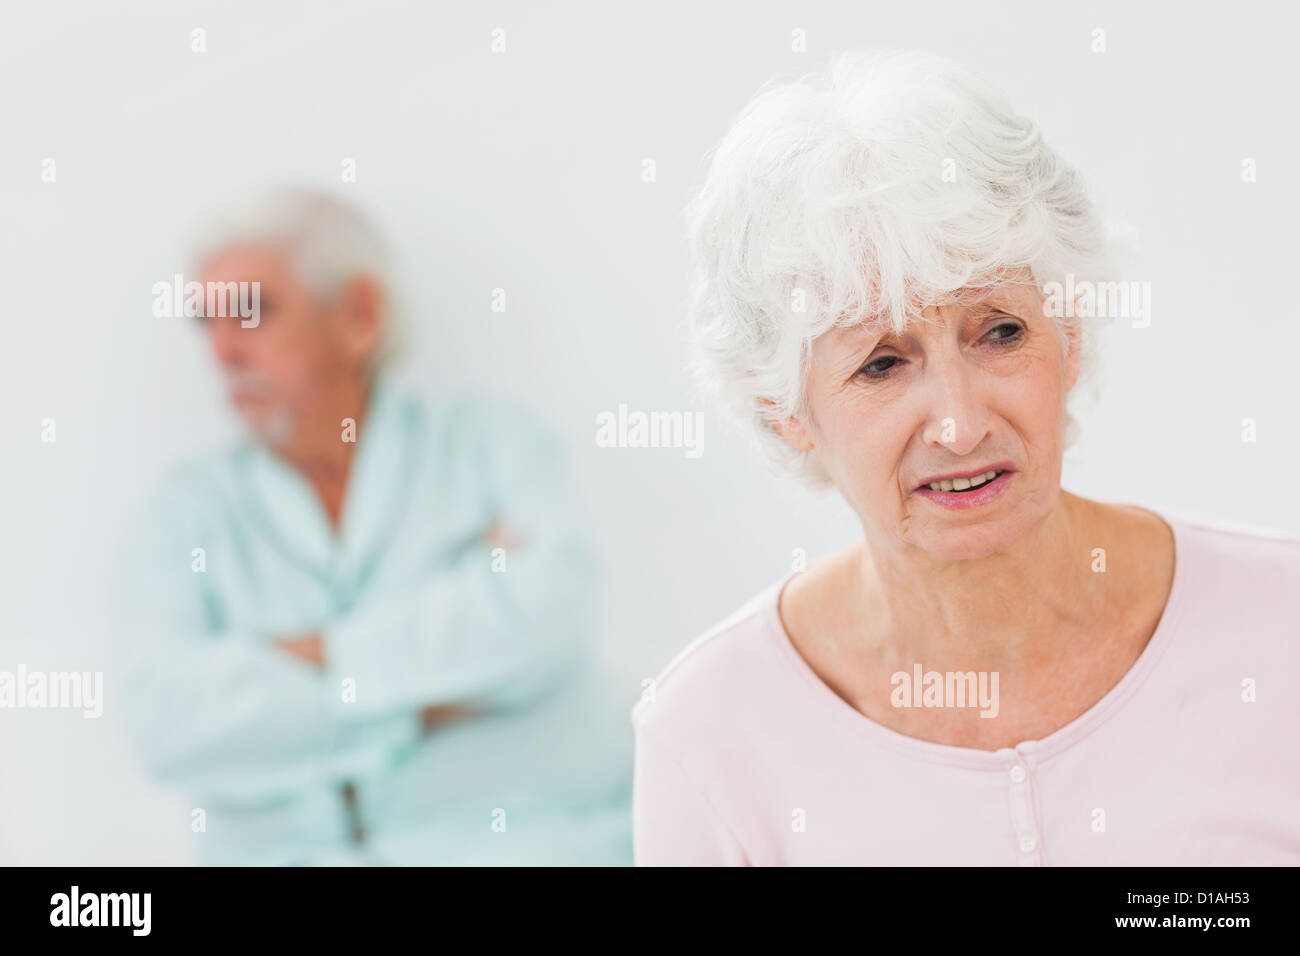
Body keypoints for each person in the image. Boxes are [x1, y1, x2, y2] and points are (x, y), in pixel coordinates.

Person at [632, 50, 1300, 865]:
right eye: (881, 362)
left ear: (1072, 336)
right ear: (784, 413)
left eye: (1001, 332)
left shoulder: (1281, 626)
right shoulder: (706, 736)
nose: (959, 423)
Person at [112, 188, 632, 866]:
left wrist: (300, 659)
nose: (222, 351)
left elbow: (548, 617)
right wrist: (433, 685)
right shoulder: (181, 514)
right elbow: (165, 722)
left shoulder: (493, 444)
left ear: (359, 315)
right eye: (205, 325)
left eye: (252, 313)